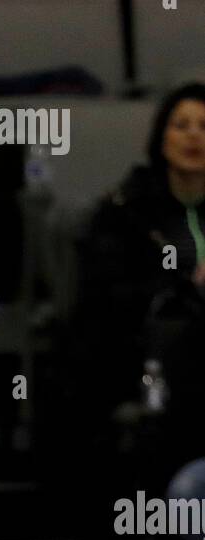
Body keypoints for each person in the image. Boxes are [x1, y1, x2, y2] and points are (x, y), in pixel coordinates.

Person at [73, 83, 205, 471]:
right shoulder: (126, 210)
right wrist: (186, 282)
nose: (194, 135)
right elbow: (104, 299)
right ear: (161, 139)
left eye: (203, 125)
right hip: (143, 352)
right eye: (182, 125)